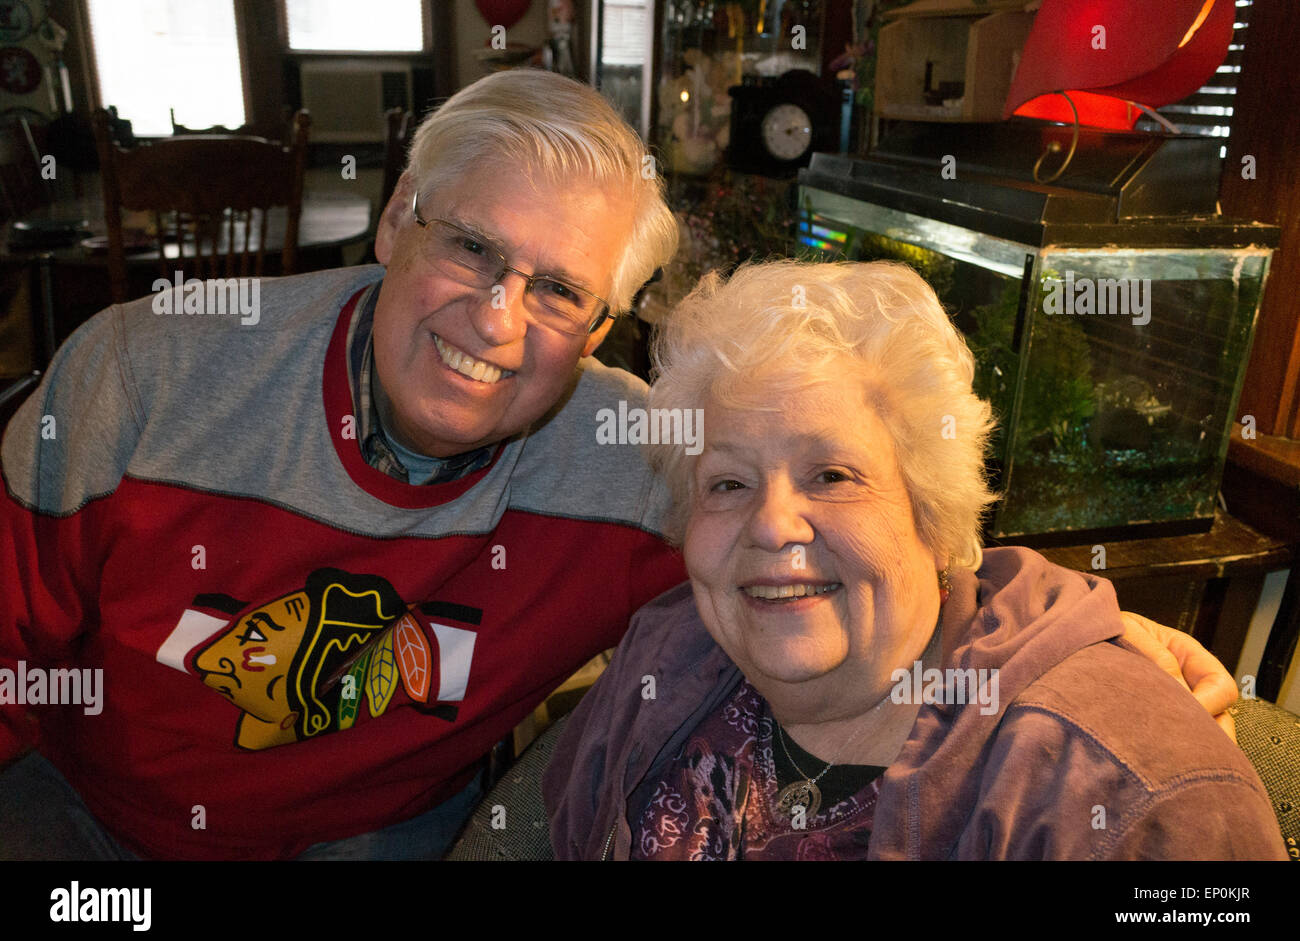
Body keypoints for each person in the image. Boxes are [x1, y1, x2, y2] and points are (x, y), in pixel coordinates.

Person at [0, 70, 1235, 861]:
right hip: (99, 833)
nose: (495, 320)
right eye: (470, 248)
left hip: (384, 843)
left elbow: (868, 535)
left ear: (599, 329)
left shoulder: (641, 453)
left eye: (558, 291)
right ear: (393, 220)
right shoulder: (143, 377)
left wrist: (1085, 632)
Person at [543, 260, 1286, 860]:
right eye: (728, 483)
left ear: (933, 512)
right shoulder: (669, 652)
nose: (771, 525)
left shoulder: (1122, 798)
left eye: (831, 475)